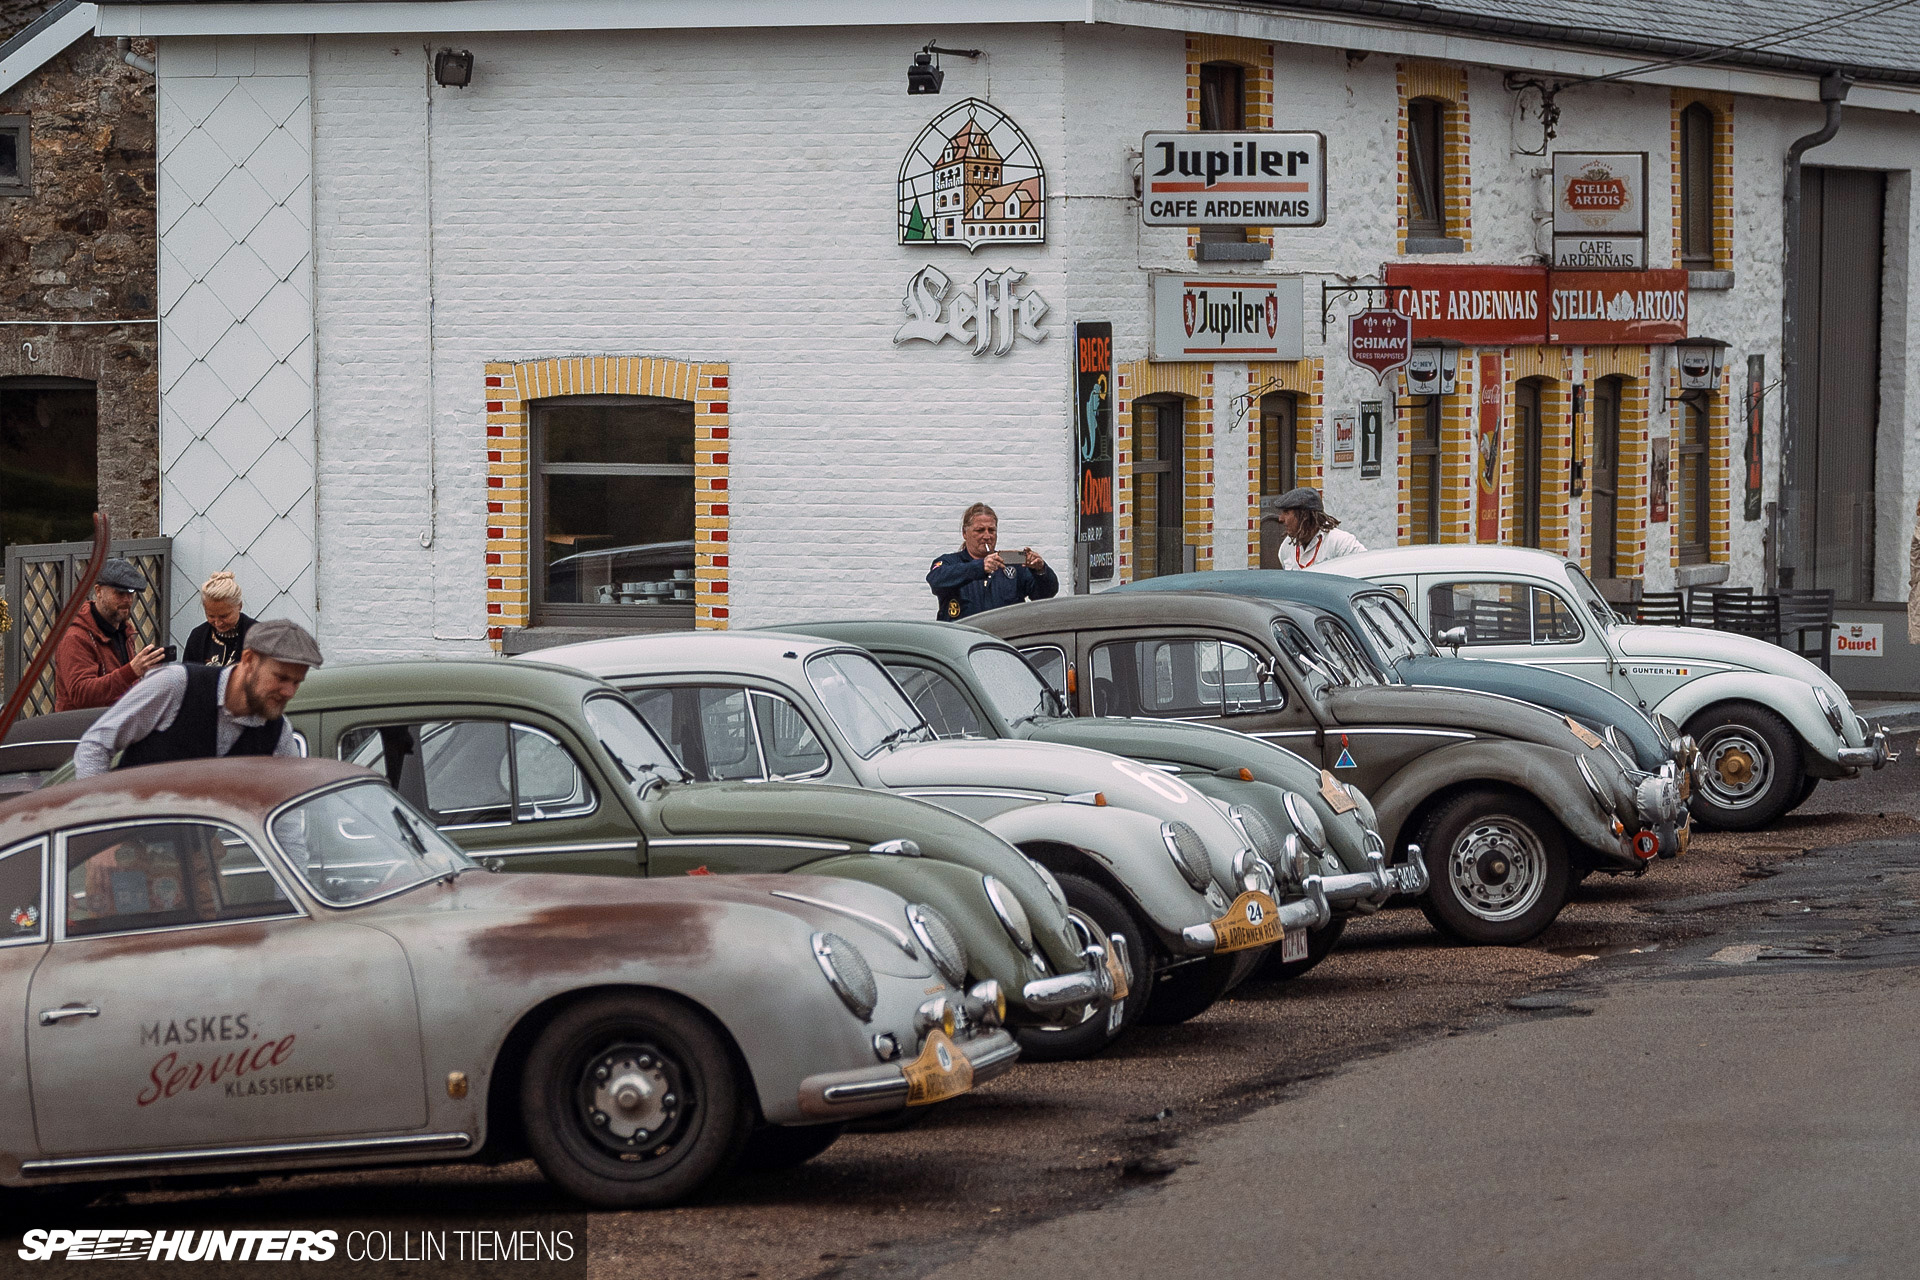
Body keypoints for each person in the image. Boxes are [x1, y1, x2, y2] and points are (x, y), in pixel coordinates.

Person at [72, 618, 323, 778]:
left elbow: (287, 819)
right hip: (127, 851)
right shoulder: (176, 685)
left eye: (297, 682)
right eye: (281, 678)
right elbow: (95, 745)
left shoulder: (277, 733)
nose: (289, 692)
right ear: (248, 660)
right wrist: (99, 835)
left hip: (194, 859)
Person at [53, 558, 167, 712]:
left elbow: (121, 688)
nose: (127, 600)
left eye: (131, 593)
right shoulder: (76, 637)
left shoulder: (124, 630)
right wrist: (132, 671)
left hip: (113, 724)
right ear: (98, 591)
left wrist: (145, 674)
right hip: (82, 730)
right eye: (119, 593)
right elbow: (82, 695)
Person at [927, 503, 1059, 621]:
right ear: (964, 533)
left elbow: (1045, 595)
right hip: (962, 641)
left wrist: (1040, 570)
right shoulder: (950, 562)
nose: (987, 536)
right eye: (979, 530)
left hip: (1005, 641)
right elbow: (935, 580)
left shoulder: (1013, 564)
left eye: (991, 530)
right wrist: (979, 567)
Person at [1273, 487, 1366, 570]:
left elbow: (1366, 569)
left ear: (1304, 516)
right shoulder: (1286, 547)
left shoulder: (1341, 543)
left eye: (1286, 512)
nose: (1280, 519)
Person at [182, 570, 256, 667]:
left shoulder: (257, 636)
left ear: (239, 606)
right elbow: (188, 677)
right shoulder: (198, 637)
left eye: (224, 616)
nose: (218, 623)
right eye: (211, 616)